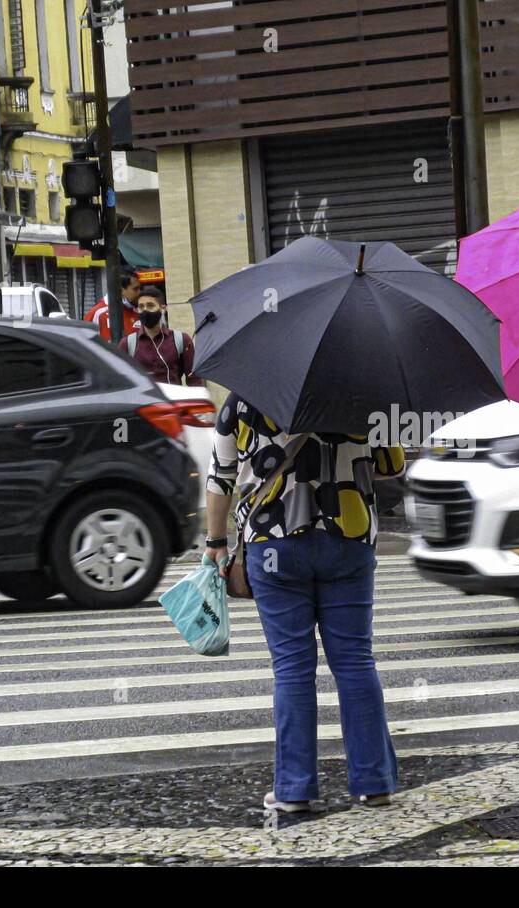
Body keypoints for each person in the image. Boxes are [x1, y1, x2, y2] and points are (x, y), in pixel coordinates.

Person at [204, 395, 406, 812]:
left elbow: (220, 476)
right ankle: (375, 782)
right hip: (349, 537)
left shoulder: (243, 401)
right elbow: (392, 465)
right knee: (354, 661)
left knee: (292, 668)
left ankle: (295, 789)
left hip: (275, 543)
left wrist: (215, 542)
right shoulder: (361, 388)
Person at [116, 286, 202, 386]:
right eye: (141, 307)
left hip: (173, 400)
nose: (145, 310)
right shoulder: (127, 344)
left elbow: (195, 381)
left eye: (150, 306)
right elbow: (119, 381)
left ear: (163, 308)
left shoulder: (181, 340)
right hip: (143, 401)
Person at [83, 270, 141, 341]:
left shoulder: (139, 311)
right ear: (119, 290)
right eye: (135, 289)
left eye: (140, 288)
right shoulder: (97, 313)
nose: (139, 293)